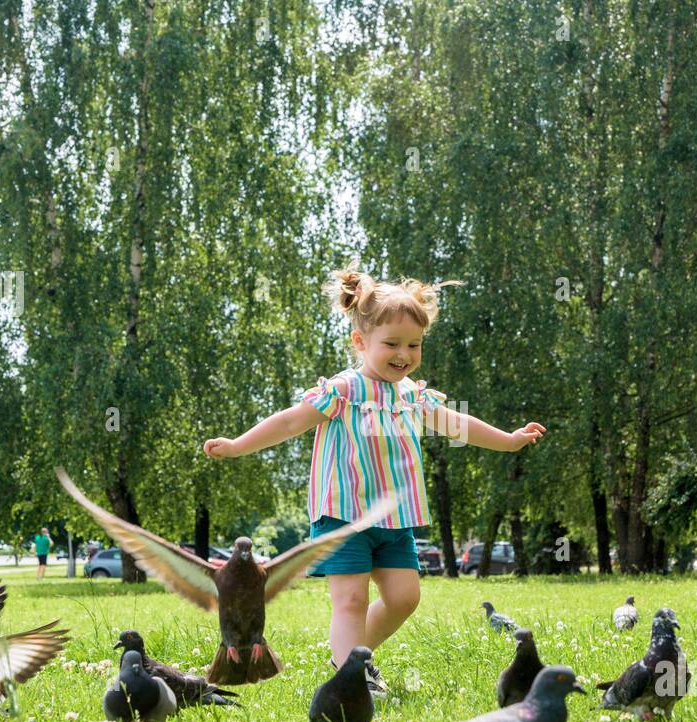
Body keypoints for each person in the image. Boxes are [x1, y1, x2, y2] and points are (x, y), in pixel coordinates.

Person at [203, 264, 545, 695]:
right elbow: (290, 423)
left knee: (405, 597)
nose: (404, 354)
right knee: (351, 601)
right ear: (360, 342)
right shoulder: (343, 391)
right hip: (343, 516)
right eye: (392, 344)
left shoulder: (412, 395)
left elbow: (458, 424)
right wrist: (237, 445)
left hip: (394, 519)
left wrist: (508, 440)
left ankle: (351, 658)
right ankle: (353, 678)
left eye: (414, 345)